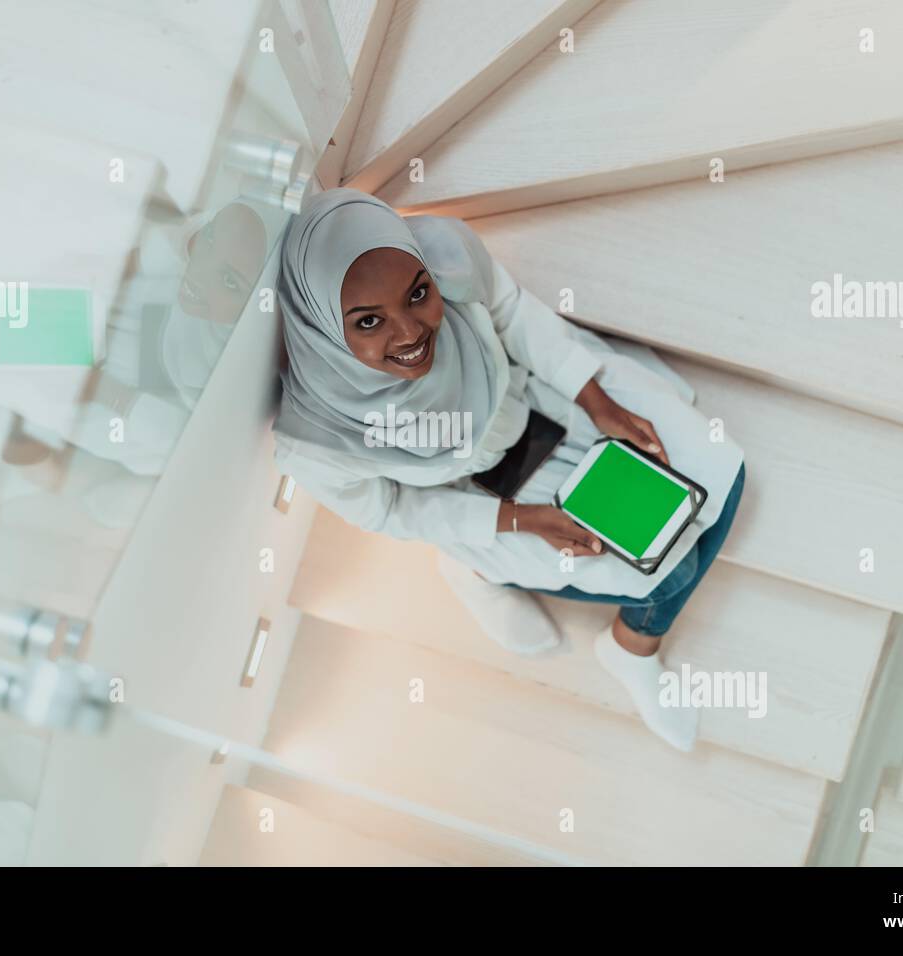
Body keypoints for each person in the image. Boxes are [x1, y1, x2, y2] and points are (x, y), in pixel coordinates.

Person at [272, 188, 744, 751]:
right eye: (369, 322)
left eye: (418, 294)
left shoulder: (445, 252)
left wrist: (598, 402)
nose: (409, 333)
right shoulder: (314, 441)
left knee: (725, 472)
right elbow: (393, 509)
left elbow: (511, 313)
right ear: (323, 326)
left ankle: (620, 631)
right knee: (669, 571)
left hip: (535, 399)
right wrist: (525, 520)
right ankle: (627, 647)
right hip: (478, 497)